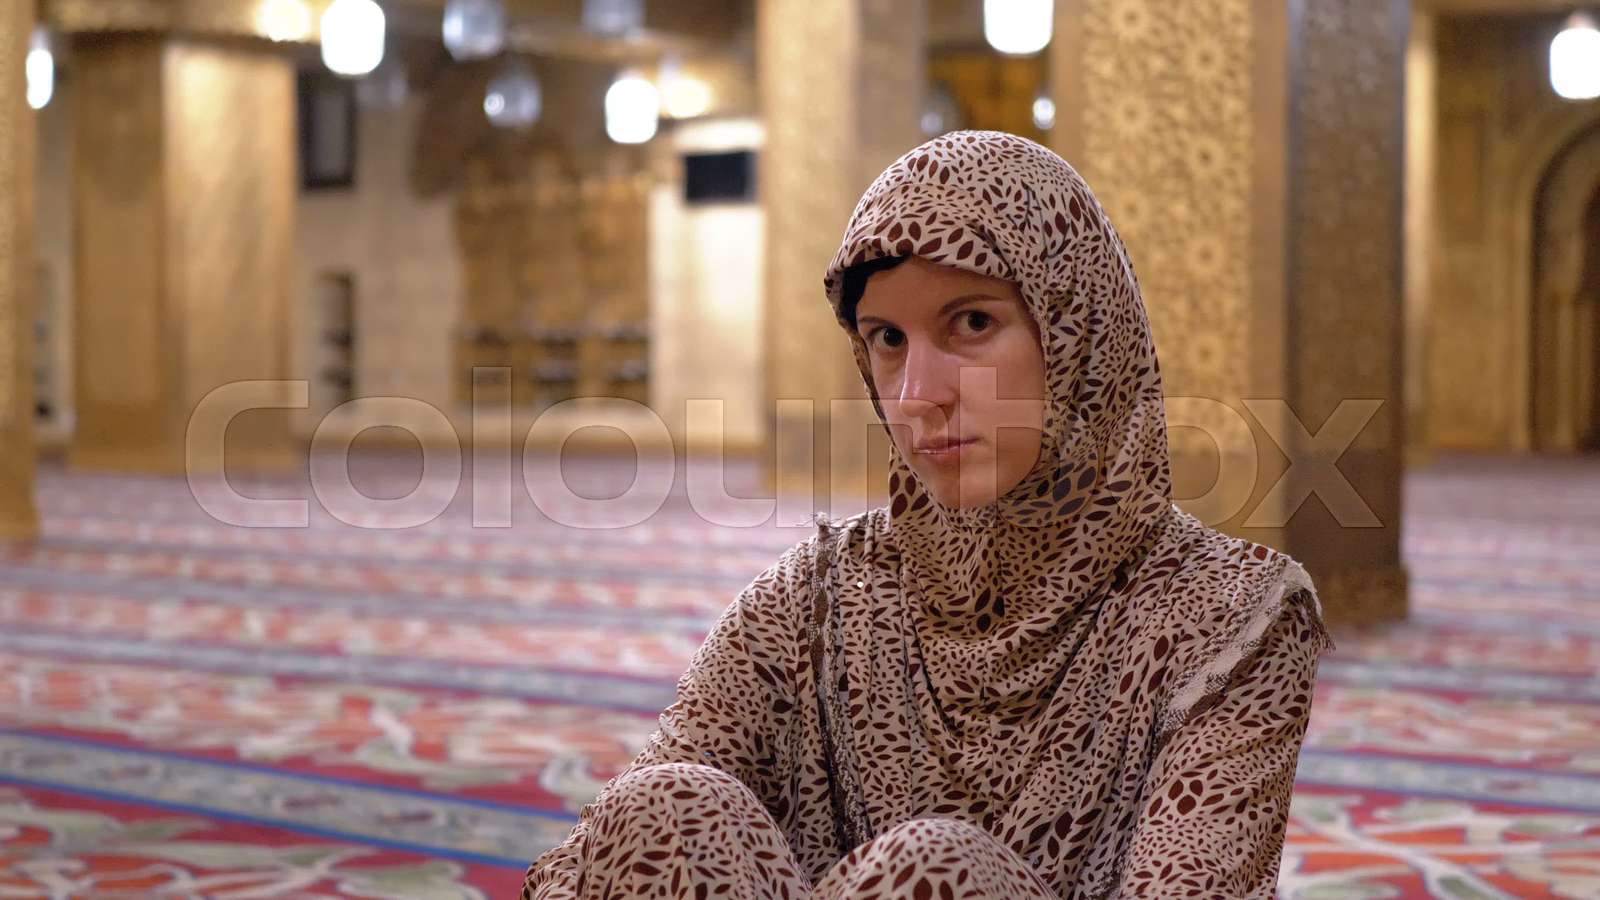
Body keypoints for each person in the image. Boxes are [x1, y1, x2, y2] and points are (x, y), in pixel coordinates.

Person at [520, 130, 1336, 899]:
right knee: (667, 809)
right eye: (887, 339)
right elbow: (586, 864)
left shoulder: (1229, 618)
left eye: (972, 323)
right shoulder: (817, 598)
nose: (917, 395)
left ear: (1077, 331)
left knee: (930, 873)